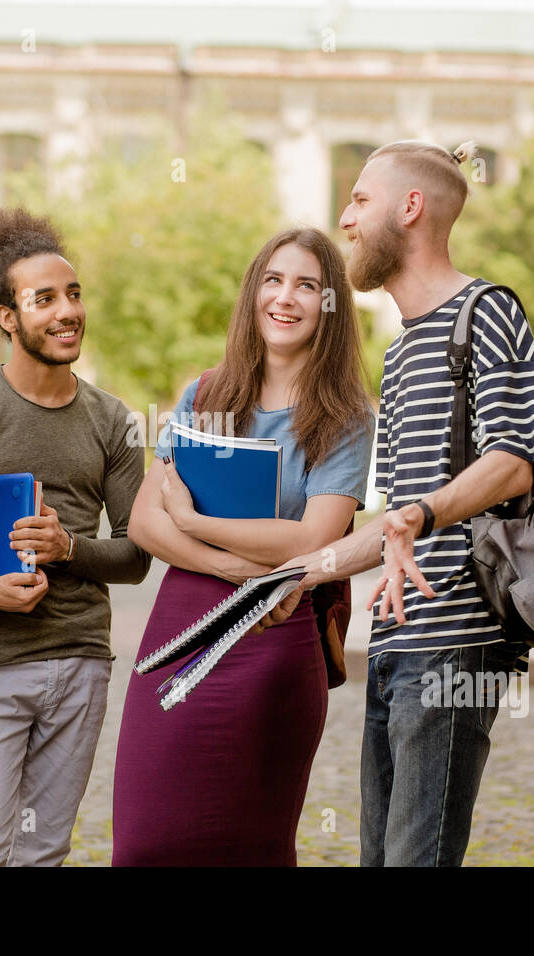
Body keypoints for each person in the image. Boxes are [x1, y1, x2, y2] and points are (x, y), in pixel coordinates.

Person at [260, 141, 534, 866]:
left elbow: (514, 461)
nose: (345, 218)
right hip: (395, 645)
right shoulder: (404, 347)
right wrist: (305, 572)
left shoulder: (486, 312)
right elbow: (393, 521)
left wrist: (422, 515)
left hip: (455, 641)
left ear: (409, 207)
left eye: (360, 199)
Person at [112, 227, 375, 866]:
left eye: (308, 285)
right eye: (274, 280)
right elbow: (146, 523)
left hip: (276, 641)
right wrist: (232, 565)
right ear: (253, 293)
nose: (286, 298)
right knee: (146, 842)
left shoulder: (346, 418)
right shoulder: (206, 394)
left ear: (330, 306)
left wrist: (196, 523)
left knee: (250, 844)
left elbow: (314, 536)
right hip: (180, 632)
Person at [0, 207, 151, 867]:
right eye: (45, 299)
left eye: (74, 294)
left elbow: (137, 555)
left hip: (82, 661)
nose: (68, 311)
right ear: (7, 317)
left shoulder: (113, 420)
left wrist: (69, 550)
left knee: (42, 852)